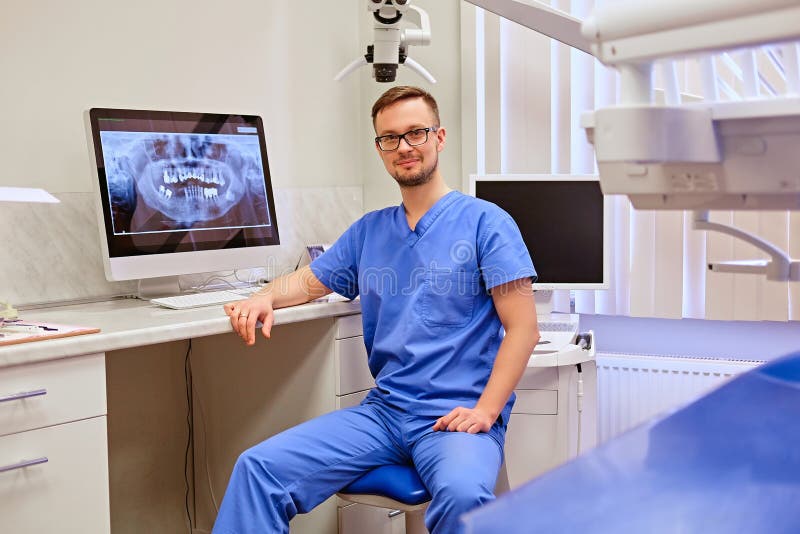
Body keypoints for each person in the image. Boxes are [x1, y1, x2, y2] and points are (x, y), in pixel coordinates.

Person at [212, 86, 540, 534]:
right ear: (380, 149)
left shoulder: (489, 223)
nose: (404, 147)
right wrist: (265, 296)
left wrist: (485, 411)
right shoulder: (369, 231)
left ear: (439, 138)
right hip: (384, 414)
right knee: (258, 470)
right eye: (390, 138)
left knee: (464, 497)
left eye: (415, 133)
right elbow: (309, 282)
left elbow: (523, 330)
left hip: (455, 416)